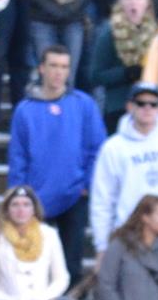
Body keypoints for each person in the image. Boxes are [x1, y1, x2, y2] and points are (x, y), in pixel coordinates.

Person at [7, 43, 105, 279]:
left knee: (72, 266)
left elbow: (97, 149)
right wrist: (20, 196)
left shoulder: (83, 104)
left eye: (64, 66)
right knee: (38, 266)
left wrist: (86, 185)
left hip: (74, 197)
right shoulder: (25, 110)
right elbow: (17, 156)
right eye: (53, 65)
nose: (59, 72)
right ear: (41, 68)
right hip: (37, 202)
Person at [89, 78, 158, 249]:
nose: (147, 108)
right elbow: (102, 200)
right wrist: (102, 245)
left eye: (153, 104)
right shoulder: (113, 147)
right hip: (128, 235)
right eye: (141, 103)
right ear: (129, 106)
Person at [0, 184, 69, 300]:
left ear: (34, 209)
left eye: (26, 204)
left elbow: (61, 278)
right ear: (7, 209)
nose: (21, 210)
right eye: (15, 205)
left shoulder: (49, 235)